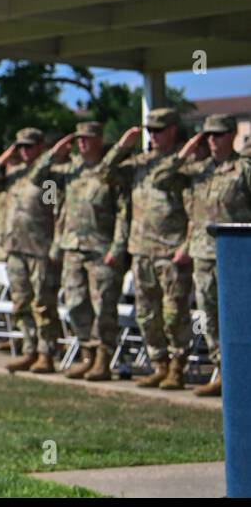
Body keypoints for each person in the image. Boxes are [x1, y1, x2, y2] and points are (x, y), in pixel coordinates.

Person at [100, 109, 191, 389]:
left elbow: (195, 210)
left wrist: (187, 246)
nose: (153, 135)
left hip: (171, 250)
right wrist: (122, 146)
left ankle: (178, 366)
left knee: (174, 313)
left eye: (159, 130)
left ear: (173, 130)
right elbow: (105, 174)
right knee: (146, 313)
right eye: (150, 130)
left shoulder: (186, 165)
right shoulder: (139, 163)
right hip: (141, 250)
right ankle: (159, 364)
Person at [34, 123, 128, 381]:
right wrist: (54, 152)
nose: (82, 143)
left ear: (99, 140)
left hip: (101, 249)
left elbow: (123, 213)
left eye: (87, 138)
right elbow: (38, 178)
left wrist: (117, 247)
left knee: (104, 307)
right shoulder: (69, 171)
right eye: (79, 139)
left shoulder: (110, 173)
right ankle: (87, 354)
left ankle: (102, 359)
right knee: (75, 305)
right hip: (72, 246)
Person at [177, 113, 251, 397]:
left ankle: (241, 373)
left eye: (217, 134)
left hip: (236, 256)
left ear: (232, 135)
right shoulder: (198, 170)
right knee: (209, 316)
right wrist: (187, 148)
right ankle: (223, 372)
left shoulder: (242, 168)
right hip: (203, 254)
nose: (211, 139)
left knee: (239, 315)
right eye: (207, 135)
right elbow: (163, 177)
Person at [0, 129, 60, 373]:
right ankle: (29, 349)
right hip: (14, 249)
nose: (24, 151)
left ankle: (46, 353)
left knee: (43, 304)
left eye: (29, 146)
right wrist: (6, 156)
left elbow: (53, 211)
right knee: (20, 303)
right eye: (21, 146)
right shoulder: (11, 176)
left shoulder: (48, 179)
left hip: (39, 249)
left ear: (40, 147)